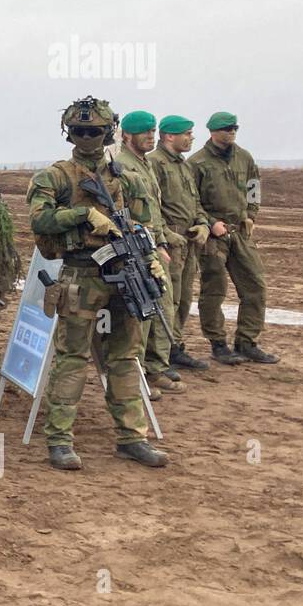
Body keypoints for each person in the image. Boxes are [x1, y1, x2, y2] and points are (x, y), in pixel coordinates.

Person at [26, 96, 168, 470]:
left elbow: (145, 226)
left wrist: (151, 261)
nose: (87, 137)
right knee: (72, 358)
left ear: (108, 132)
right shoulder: (54, 176)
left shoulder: (129, 178)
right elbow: (40, 221)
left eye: (95, 131)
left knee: (125, 357)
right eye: (79, 131)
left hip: (128, 272)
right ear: (69, 133)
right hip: (81, 273)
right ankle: (59, 440)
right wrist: (85, 214)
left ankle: (132, 437)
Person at [189, 112, 277, 364]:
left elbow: (253, 187)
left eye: (234, 128)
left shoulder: (244, 157)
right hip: (213, 237)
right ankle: (218, 344)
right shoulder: (197, 163)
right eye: (226, 129)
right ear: (213, 132)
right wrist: (209, 222)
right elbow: (191, 201)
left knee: (255, 286)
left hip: (240, 233)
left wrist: (251, 214)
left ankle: (247, 342)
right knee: (214, 290)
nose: (231, 132)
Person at [116, 110, 183, 394]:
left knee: (162, 308)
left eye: (152, 131)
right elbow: (124, 212)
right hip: (138, 248)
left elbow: (154, 209)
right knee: (142, 314)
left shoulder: (144, 164)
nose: (150, 136)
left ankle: (156, 369)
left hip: (154, 246)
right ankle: (138, 376)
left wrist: (163, 241)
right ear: (127, 135)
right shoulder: (121, 165)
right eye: (144, 131)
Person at [146, 115, 210, 372]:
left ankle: (174, 347)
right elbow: (151, 206)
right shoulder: (154, 163)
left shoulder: (183, 166)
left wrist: (203, 223)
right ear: (169, 136)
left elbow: (195, 201)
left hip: (188, 242)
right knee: (166, 301)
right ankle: (159, 354)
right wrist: (165, 236)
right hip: (169, 242)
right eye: (187, 133)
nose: (191, 138)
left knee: (183, 299)